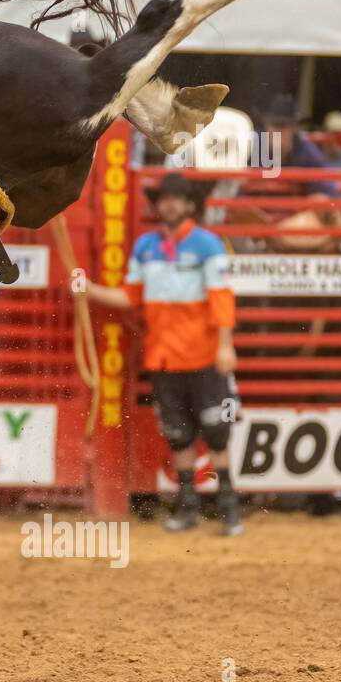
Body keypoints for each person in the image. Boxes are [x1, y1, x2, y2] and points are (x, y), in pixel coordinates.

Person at [82, 173, 243, 536]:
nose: (170, 205)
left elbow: (221, 297)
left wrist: (224, 344)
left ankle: (228, 507)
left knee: (216, 431)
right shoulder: (146, 247)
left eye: (178, 199)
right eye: (165, 199)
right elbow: (130, 296)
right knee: (178, 433)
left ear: (189, 205)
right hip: (164, 357)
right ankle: (188, 506)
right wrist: (88, 289)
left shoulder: (208, 246)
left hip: (202, 354)